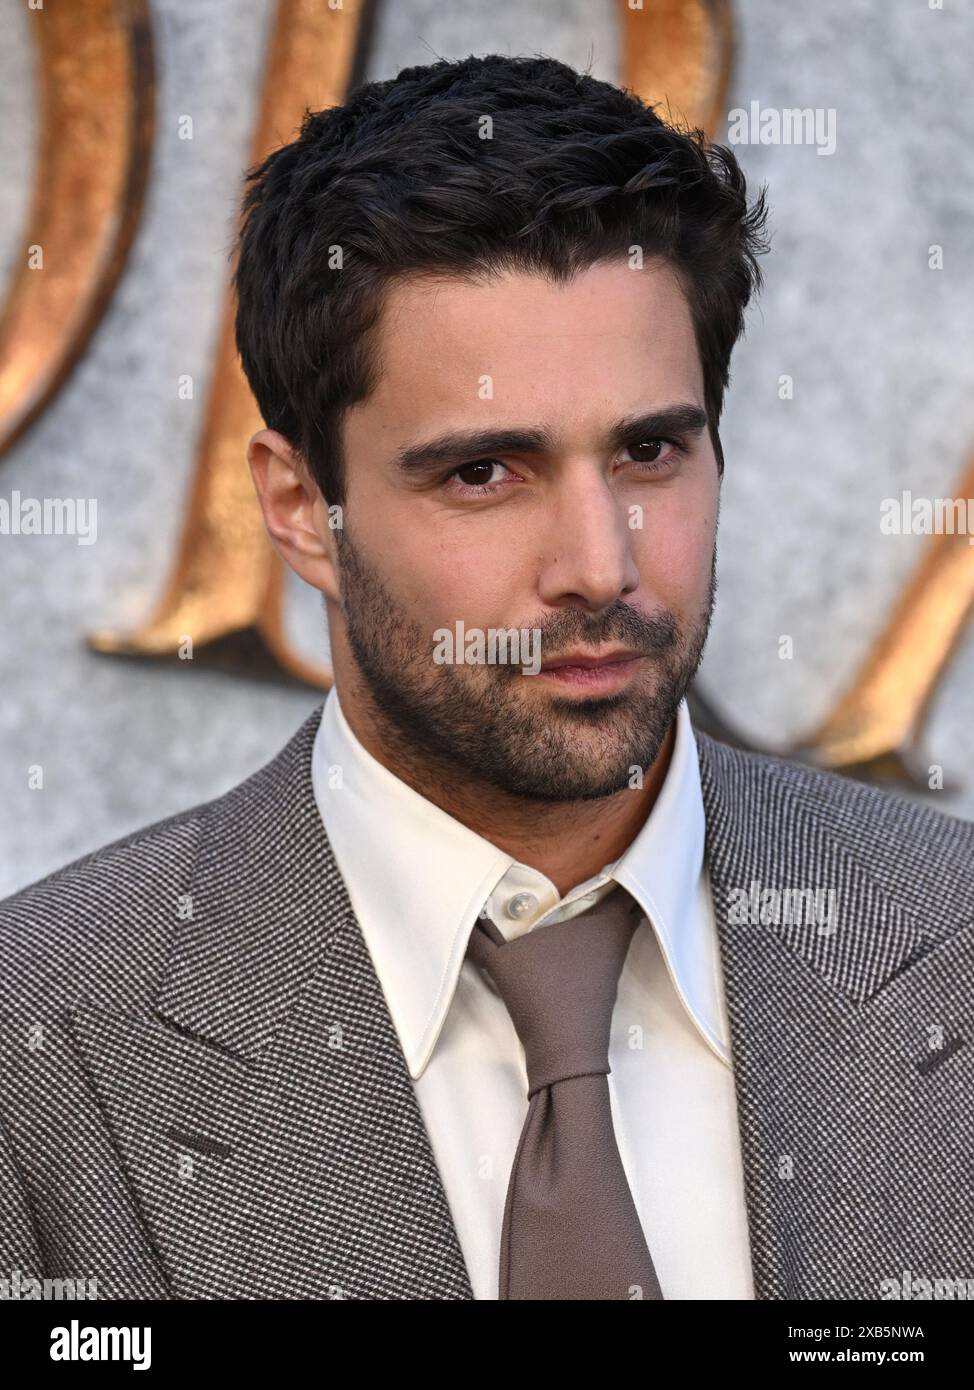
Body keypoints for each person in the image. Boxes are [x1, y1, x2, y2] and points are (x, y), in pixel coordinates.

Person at [2, 54, 971, 1302]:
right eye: (482, 472)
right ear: (300, 510)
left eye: (647, 450)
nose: (596, 565)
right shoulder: (46, 1047)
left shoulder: (944, 943)